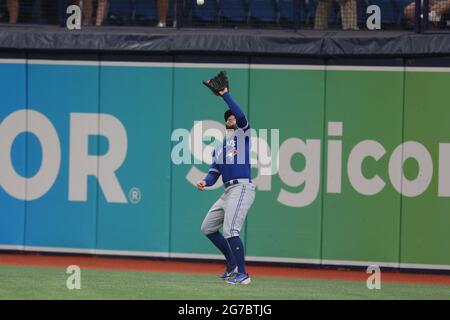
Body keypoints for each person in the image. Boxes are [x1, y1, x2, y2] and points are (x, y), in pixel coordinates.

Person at [196, 75, 256, 285]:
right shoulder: (219, 146)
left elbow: (240, 115)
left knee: (231, 230)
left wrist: (225, 95)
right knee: (208, 227)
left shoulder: (244, 134)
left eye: (233, 117)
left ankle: (243, 274)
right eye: (228, 117)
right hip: (227, 191)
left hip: (242, 187)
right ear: (225, 122)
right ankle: (231, 262)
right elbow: (214, 173)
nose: (231, 118)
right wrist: (205, 181)